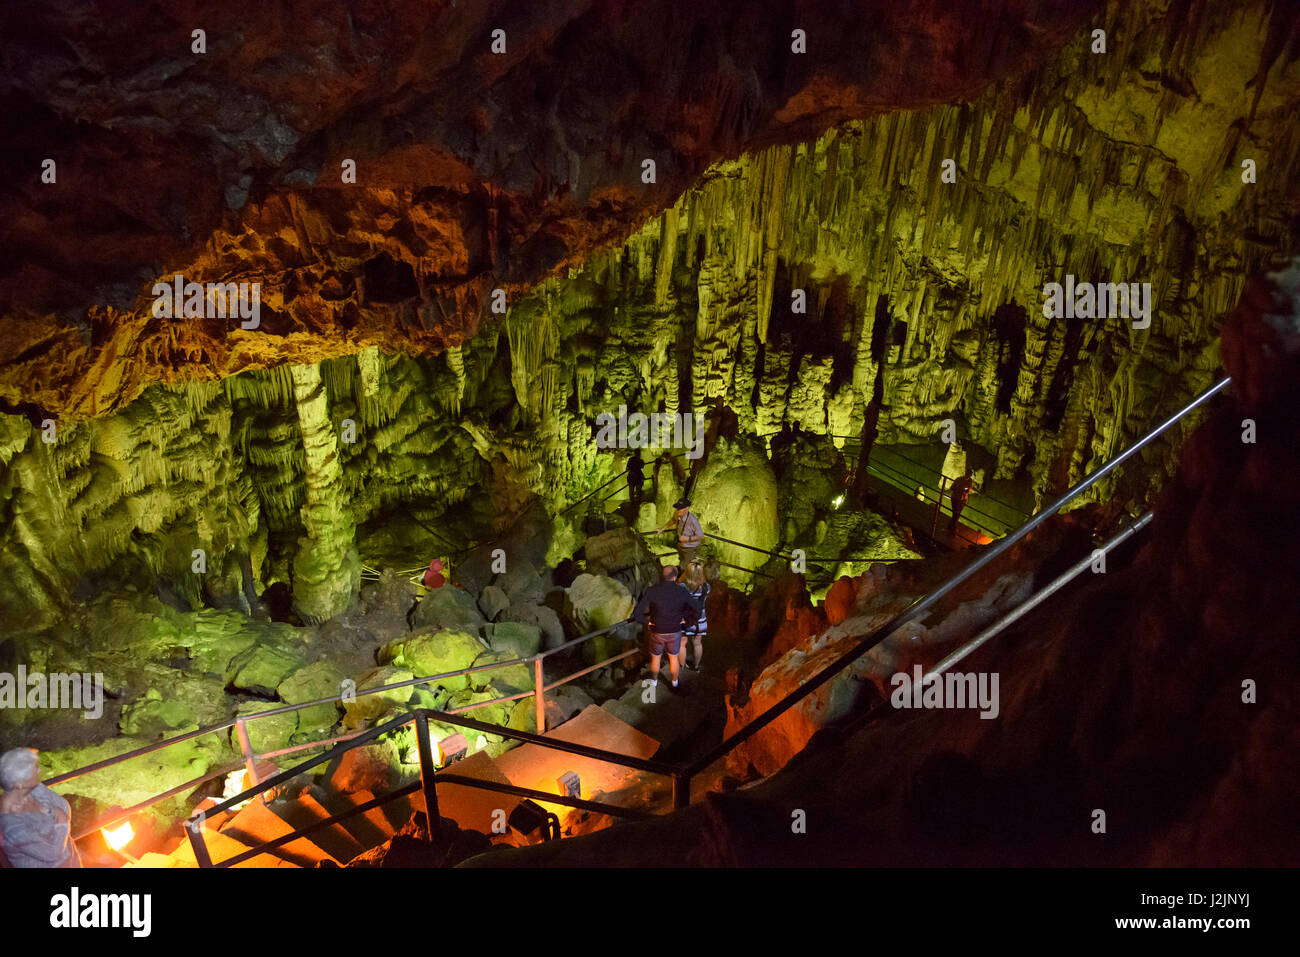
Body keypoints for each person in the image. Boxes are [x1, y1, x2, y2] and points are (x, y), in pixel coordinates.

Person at [0, 748, 81, 868]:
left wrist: (56, 816)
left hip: (71, 861)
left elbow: (63, 807)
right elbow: (52, 854)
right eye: (34, 770)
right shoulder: (12, 826)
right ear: (19, 783)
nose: (39, 770)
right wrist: (62, 822)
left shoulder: (32, 790)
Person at [630, 565, 700, 691]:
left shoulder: (652, 591)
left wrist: (647, 622)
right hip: (675, 630)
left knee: (656, 657)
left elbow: (637, 613)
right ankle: (674, 682)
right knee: (673, 658)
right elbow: (697, 608)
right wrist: (687, 622)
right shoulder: (681, 591)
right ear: (675, 576)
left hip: (657, 630)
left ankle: (655, 681)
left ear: (662, 576)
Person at [677, 561, 710, 673]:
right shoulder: (706, 587)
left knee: (682, 643)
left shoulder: (682, 586)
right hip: (699, 620)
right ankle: (696, 667)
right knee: (697, 643)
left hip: (684, 619)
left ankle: (682, 666)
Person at [655, 498, 703, 566]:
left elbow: (700, 536)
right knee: (681, 562)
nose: (678, 510)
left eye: (680, 508)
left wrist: (686, 539)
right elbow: (673, 520)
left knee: (688, 568)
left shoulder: (693, 520)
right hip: (681, 545)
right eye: (677, 508)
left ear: (687, 509)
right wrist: (662, 528)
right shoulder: (677, 514)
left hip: (691, 548)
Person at [948, 468, 974, 535]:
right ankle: (952, 528)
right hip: (956, 498)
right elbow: (952, 488)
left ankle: (951, 527)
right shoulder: (959, 479)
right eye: (967, 474)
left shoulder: (970, 481)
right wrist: (960, 489)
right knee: (956, 513)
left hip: (962, 499)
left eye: (969, 475)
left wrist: (966, 491)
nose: (968, 476)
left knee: (957, 514)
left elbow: (968, 489)